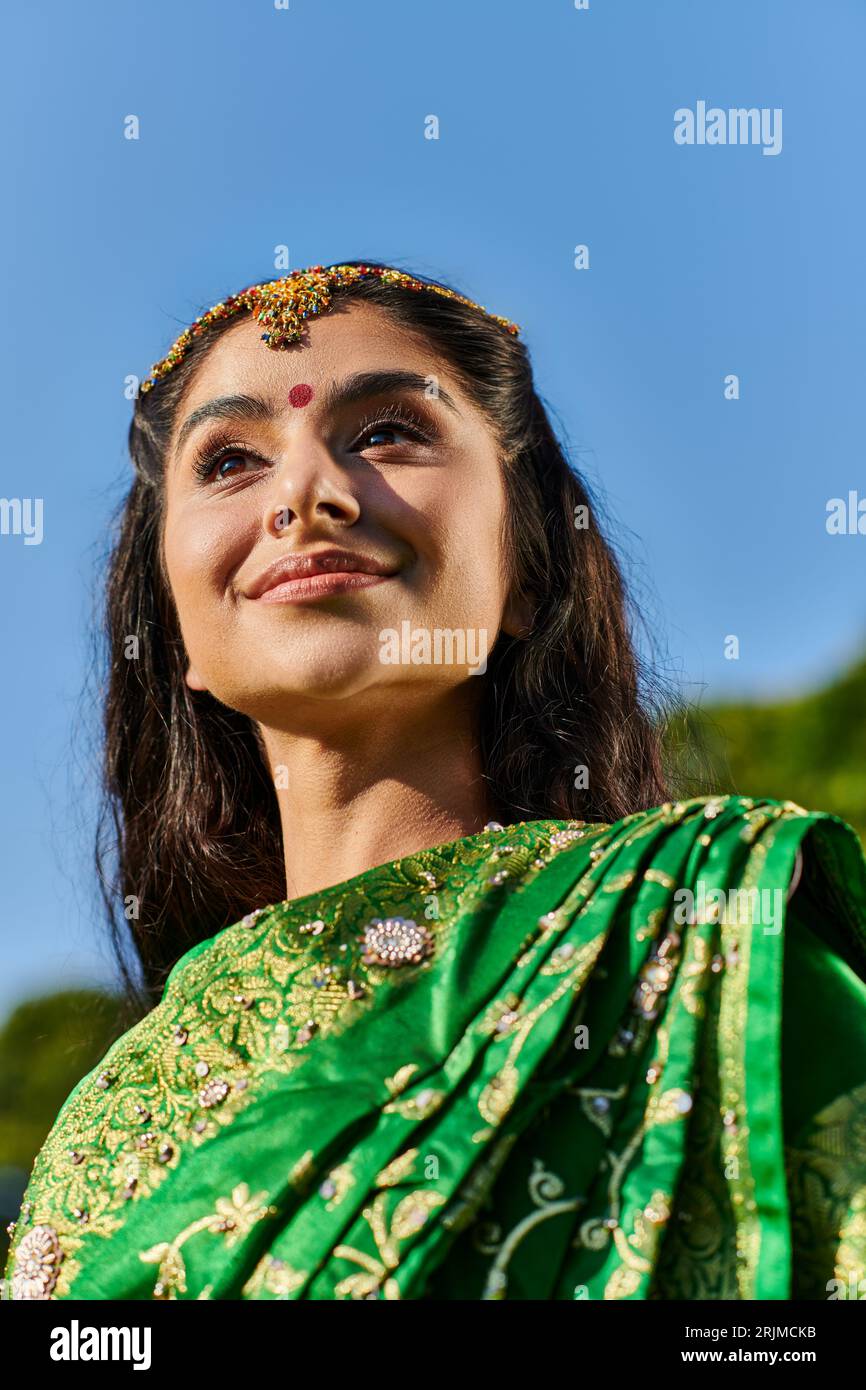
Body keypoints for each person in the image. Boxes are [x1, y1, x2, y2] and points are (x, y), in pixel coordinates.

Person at [5, 263, 866, 1301]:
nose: (305, 496)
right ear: (179, 627)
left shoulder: (696, 942)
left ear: (529, 569)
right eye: (229, 459)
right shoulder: (100, 1123)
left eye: (385, 434)